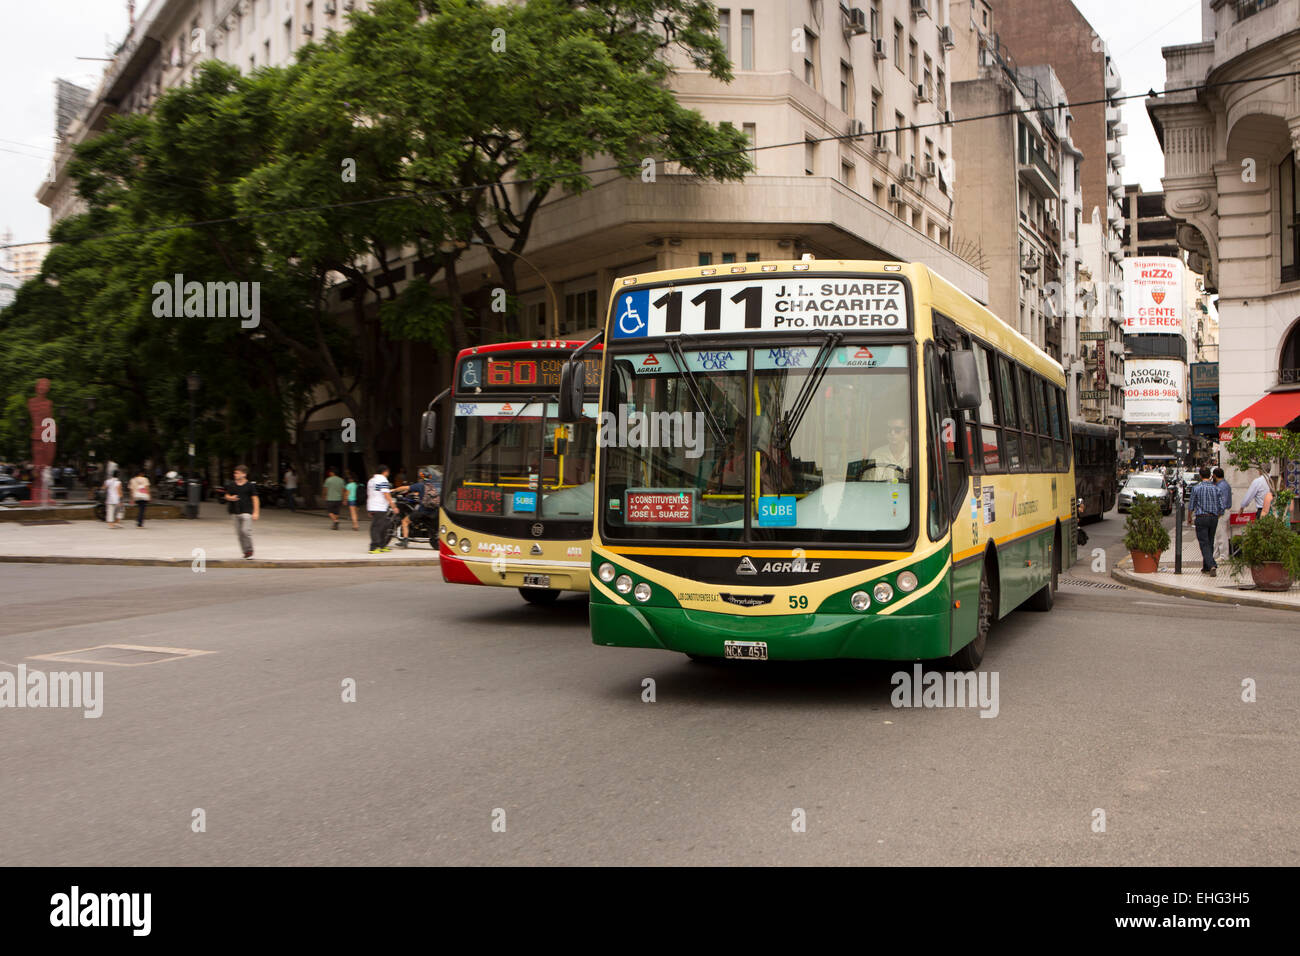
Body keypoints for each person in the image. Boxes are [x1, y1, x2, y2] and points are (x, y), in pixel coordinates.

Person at [1187, 466, 1224, 575]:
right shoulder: (1216, 488)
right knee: (1210, 541)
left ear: (1200, 476)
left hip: (1201, 517)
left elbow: (1191, 505)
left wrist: (1189, 517)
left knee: (1204, 543)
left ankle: (1211, 565)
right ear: (1210, 476)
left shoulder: (1196, 488)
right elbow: (1221, 506)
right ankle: (1206, 567)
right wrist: (1217, 515)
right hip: (1213, 517)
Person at [390, 469, 442, 547]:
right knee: (432, 527)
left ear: (421, 478)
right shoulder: (433, 486)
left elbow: (406, 488)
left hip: (423, 511)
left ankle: (405, 541)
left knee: (405, 521)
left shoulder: (420, 485)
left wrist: (394, 490)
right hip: (433, 511)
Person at [223, 465, 260, 559]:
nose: (235, 474)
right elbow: (226, 496)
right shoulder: (232, 485)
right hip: (235, 512)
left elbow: (255, 499)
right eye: (235, 473)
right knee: (239, 534)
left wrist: (256, 512)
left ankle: (249, 549)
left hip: (247, 512)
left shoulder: (250, 486)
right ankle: (246, 552)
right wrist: (230, 498)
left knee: (245, 531)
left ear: (244, 474)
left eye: (237, 473)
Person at [366, 465, 396, 554]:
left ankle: (382, 545)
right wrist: (393, 506)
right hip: (379, 506)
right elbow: (386, 494)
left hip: (374, 505)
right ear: (385, 471)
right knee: (377, 527)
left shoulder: (371, 480)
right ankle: (373, 547)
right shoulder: (382, 480)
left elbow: (370, 493)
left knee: (384, 525)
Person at [1211, 466, 1232, 563]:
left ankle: (1223, 556)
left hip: (1221, 513)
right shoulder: (1223, 484)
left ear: (1215, 475)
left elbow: (1222, 502)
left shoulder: (1222, 486)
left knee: (1221, 534)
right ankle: (1217, 555)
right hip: (1222, 512)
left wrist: (1219, 513)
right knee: (1218, 534)